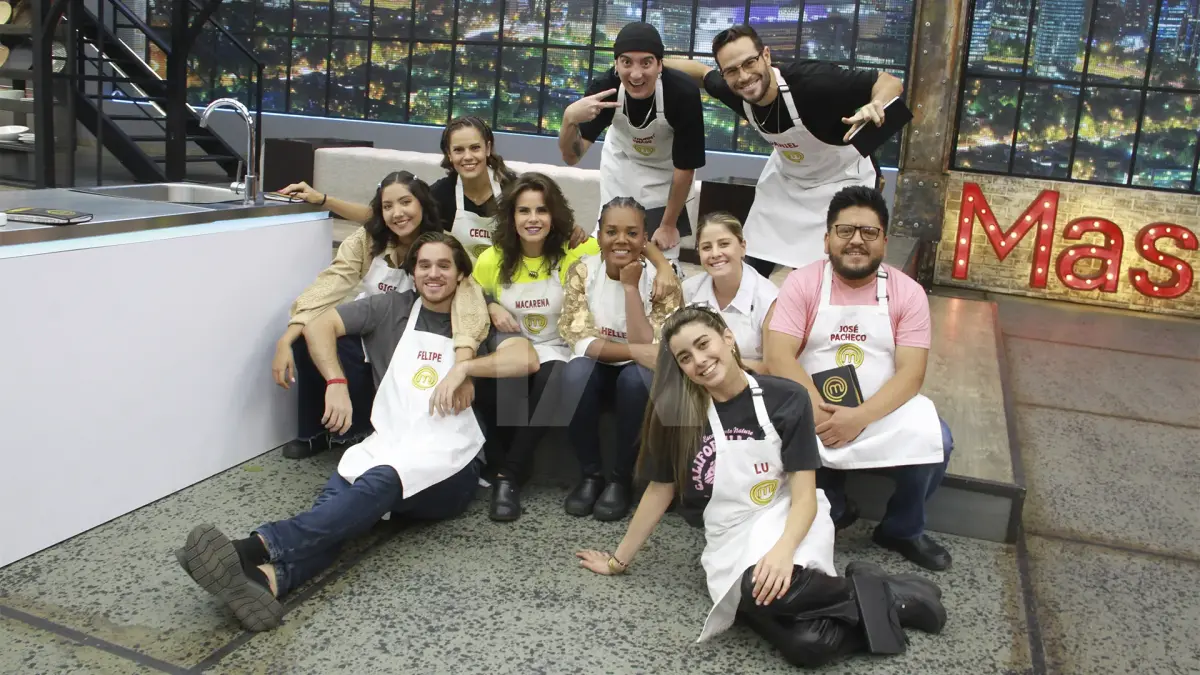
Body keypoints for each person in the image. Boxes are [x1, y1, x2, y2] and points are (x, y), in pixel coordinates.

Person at [175, 232, 540, 632]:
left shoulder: (475, 320)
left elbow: (527, 358)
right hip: (387, 443)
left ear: (460, 273)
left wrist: (466, 368)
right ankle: (267, 581)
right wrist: (336, 382)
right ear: (412, 272)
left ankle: (250, 547)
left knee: (377, 483)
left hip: (450, 463)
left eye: (444, 265)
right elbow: (318, 324)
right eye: (424, 265)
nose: (433, 274)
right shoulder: (391, 309)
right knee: (339, 509)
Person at [576, 306, 946, 668]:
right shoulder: (675, 412)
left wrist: (783, 550)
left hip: (787, 515)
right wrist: (617, 561)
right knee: (810, 645)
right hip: (728, 534)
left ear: (728, 337)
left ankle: (877, 595)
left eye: (704, 344)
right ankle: (887, 593)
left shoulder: (787, 397)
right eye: (685, 357)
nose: (699, 360)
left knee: (759, 587)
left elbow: (804, 497)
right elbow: (660, 490)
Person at [765, 186, 954, 572]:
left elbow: (912, 372)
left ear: (884, 240)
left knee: (939, 438)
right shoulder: (803, 283)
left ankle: (901, 528)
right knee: (819, 515)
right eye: (845, 230)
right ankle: (832, 501)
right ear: (827, 238)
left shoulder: (908, 293)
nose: (856, 241)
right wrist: (820, 412)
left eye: (868, 233)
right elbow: (778, 356)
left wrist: (860, 417)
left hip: (879, 409)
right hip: (812, 408)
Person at [269, 171, 489, 459]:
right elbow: (332, 282)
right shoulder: (366, 240)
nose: (397, 214)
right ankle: (318, 431)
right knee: (308, 341)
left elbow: (470, 298)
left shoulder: (442, 244)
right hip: (368, 319)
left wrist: (464, 367)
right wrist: (287, 337)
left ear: (422, 203)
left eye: (406, 202)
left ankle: (366, 428)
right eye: (388, 206)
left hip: (412, 331)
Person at [664, 24, 904, 277]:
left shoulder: (814, 83)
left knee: (820, 277)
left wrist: (877, 103)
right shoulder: (731, 89)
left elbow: (888, 81)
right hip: (786, 184)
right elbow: (702, 74)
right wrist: (652, 61)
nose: (743, 76)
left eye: (750, 63)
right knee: (750, 272)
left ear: (766, 55)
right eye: (732, 70)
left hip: (839, 182)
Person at [471, 172, 601, 521]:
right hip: (513, 346)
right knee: (500, 379)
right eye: (523, 211)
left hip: (559, 347)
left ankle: (508, 475)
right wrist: (490, 304)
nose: (533, 219)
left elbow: (622, 250)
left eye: (541, 211)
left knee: (557, 374)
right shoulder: (491, 260)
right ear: (511, 216)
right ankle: (508, 469)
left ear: (554, 214)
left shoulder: (579, 250)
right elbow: (467, 295)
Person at [282, 116, 586, 261]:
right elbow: (386, 217)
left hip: (507, 285)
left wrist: (575, 231)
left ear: (488, 147)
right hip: (457, 285)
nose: (468, 157)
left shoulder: (513, 188)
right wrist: (323, 199)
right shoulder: (441, 193)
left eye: (475, 148)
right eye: (459, 150)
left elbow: (555, 223)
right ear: (449, 155)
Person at [558, 197, 682, 521]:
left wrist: (630, 288)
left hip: (638, 372)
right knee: (573, 375)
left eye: (631, 232)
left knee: (633, 380)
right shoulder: (583, 270)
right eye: (611, 231)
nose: (621, 240)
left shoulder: (664, 278)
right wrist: (632, 351)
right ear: (599, 236)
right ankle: (590, 474)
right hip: (600, 364)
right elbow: (579, 339)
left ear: (644, 238)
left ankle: (620, 479)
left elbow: (651, 349)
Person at [558, 22, 706, 260]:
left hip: (667, 172)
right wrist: (569, 120)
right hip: (621, 165)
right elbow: (571, 157)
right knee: (613, 249)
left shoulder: (682, 93)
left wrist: (668, 225)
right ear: (616, 64)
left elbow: (685, 168)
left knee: (661, 256)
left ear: (660, 65)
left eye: (646, 62)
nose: (636, 74)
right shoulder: (604, 89)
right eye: (626, 62)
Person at [682, 211, 779, 373]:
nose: (715, 254)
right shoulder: (689, 290)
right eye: (706, 247)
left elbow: (771, 367)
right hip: (698, 381)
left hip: (752, 384)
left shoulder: (769, 299)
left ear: (742, 247)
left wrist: (717, 364)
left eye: (724, 244)